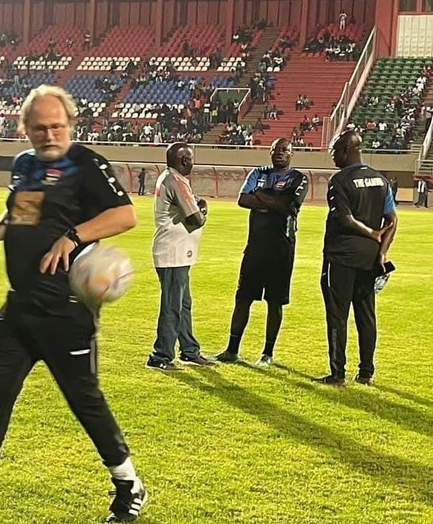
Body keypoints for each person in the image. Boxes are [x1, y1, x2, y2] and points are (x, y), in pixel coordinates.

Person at [0, 85, 146, 523]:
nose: (50, 135)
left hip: (65, 310)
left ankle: (127, 482)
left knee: (84, 401)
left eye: (57, 126)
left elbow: (126, 215)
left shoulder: (85, 163)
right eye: (41, 127)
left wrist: (74, 236)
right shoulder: (25, 165)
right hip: (21, 307)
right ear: (25, 129)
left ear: (70, 125)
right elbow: (21, 215)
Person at [215, 138, 309, 366]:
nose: (280, 153)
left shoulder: (299, 178)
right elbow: (242, 199)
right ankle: (231, 350)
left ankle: (267, 353)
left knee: (275, 302)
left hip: (282, 249)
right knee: (243, 297)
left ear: (291, 154)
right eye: (276, 149)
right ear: (270, 151)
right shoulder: (258, 173)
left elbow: (289, 206)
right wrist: (271, 203)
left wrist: (260, 197)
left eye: (285, 150)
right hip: (255, 247)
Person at [315, 131, 397, 386]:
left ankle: (338, 374)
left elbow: (344, 218)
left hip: (341, 257)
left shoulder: (340, 181)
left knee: (337, 316)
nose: (333, 158)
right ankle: (366, 373)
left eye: (336, 152)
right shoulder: (381, 180)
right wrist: (382, 251)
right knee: (366, 314)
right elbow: (393, 220)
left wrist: (371, 232)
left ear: (347, 150)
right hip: (370, 259)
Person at [146, 143, 213, 372]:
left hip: (176, 252)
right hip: (172, 253)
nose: (193, 162)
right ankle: (160, 355)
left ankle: (189, 350)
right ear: (184, 160)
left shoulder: (171, 178)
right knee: (172, 305)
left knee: (183, 304)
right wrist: (203, 210)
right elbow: (196, 218)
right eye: (191, 158)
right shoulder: (174, 180)